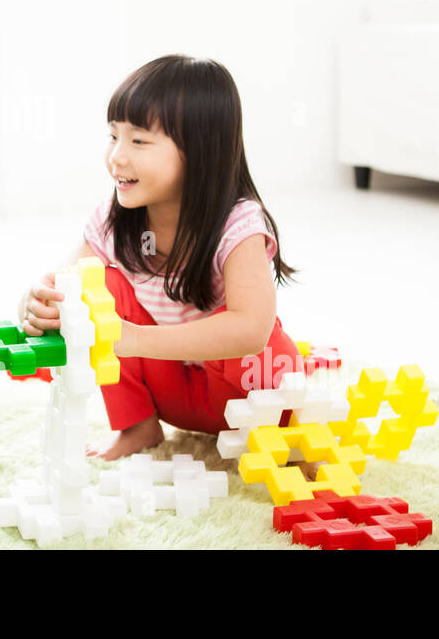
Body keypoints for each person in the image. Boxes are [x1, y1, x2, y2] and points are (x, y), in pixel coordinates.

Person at [18, 54, 302, 461]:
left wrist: (132, 338)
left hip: (253, 399)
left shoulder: (238, 226)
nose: (116, 156)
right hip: (176, 395)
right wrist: (37, 302)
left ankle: (288, 440)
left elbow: (251, 331)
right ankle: (138, 428)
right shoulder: (116, 222)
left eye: (138, 141)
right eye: (113, 136)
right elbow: (61, 284)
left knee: (262, 339)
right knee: (97, 287)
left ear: (199, 151)